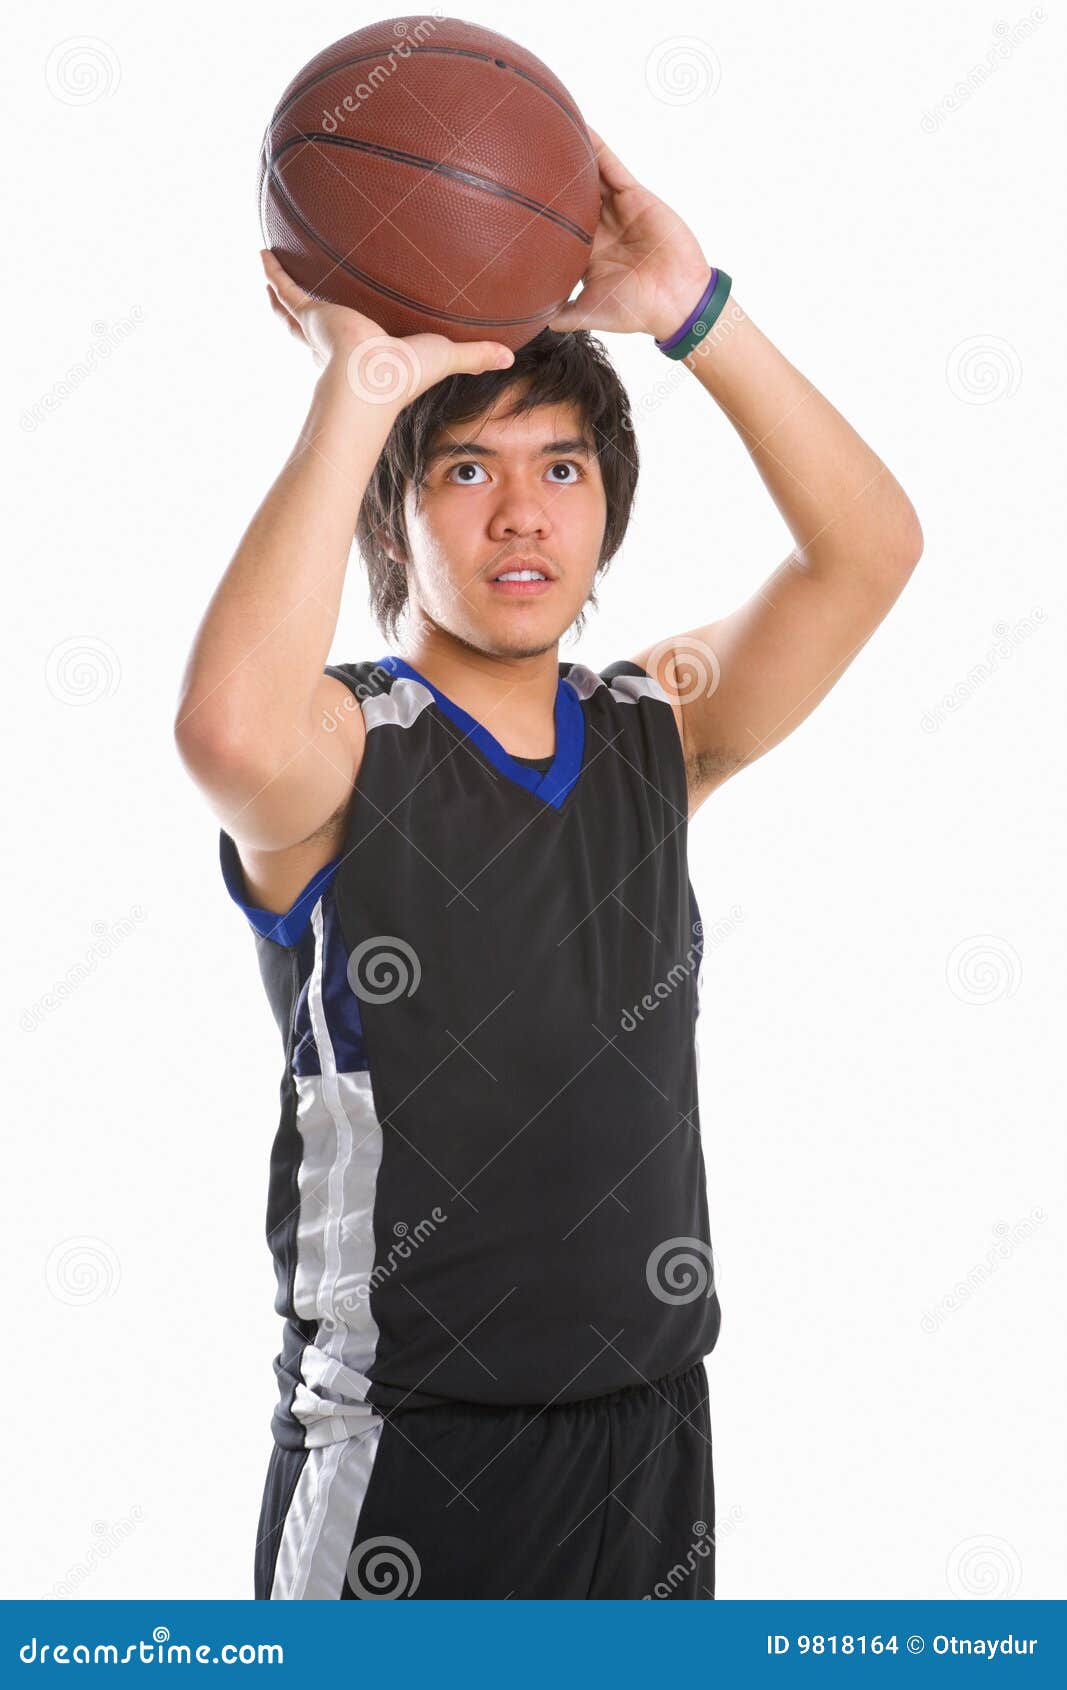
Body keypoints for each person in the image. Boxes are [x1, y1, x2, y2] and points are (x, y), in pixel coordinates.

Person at [174, 131, 922, 1600]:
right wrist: (361, 389)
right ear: (397, 512)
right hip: (409, 1457)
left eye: (560, 466)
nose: (523, 513)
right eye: (468, 467)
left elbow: (871, 551)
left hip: (648, 1445)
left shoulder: (655, 727)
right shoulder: (349, 748)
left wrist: (693, 311)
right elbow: (225, 727)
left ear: (606, 504)